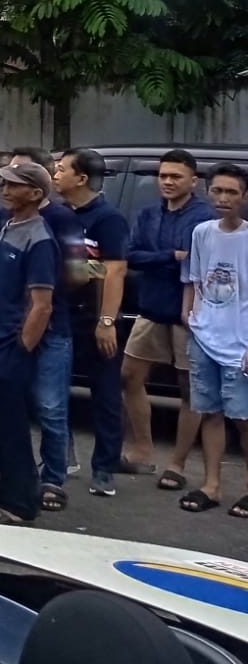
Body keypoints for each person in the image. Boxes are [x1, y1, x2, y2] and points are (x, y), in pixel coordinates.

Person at [0, 161, 59, 525]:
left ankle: (19, 506)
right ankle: (8, 495)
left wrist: (21, 349)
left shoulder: (39, 239)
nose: (5, 190)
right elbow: (2, 291)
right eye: (3, 183)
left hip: (12, 350)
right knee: (0, 425)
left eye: (14, 185)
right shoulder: (9, 226)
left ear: (35, 194)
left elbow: (41, 305)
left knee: (13, 427)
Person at [122, 149, 212, 490]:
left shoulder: (203, 218)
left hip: (190, 316)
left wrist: (164, 259)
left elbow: (194, 262)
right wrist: (168, 257)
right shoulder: (148, 214)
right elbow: (132, 255)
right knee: (129, 376)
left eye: (176, 176)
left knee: (189, 390)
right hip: (151, 308)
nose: (168, 182)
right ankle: (142, 449)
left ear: (193, 180)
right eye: (163, 176)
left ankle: (177, 464)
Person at [54, 148, 130, 499]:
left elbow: (114, 270)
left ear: (81, 178)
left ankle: (104, 469)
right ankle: (61, 459)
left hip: (94, 316)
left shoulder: (107, 218)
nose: (55, 173)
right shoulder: (58, 214)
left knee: (105, 396)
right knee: (53, 394)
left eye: (62, 169)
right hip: (60, 315)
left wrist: (106, 321)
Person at [178, 163, 248, 519]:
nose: (223, 198)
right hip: (204, 336)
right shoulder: (202, 232)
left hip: (240, 344)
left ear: (244, 197)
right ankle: (212, 485)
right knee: (210, 412)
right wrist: (189, 314)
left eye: (232, 192)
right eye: (218, 191)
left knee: (244, 418)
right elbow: (192, 277)